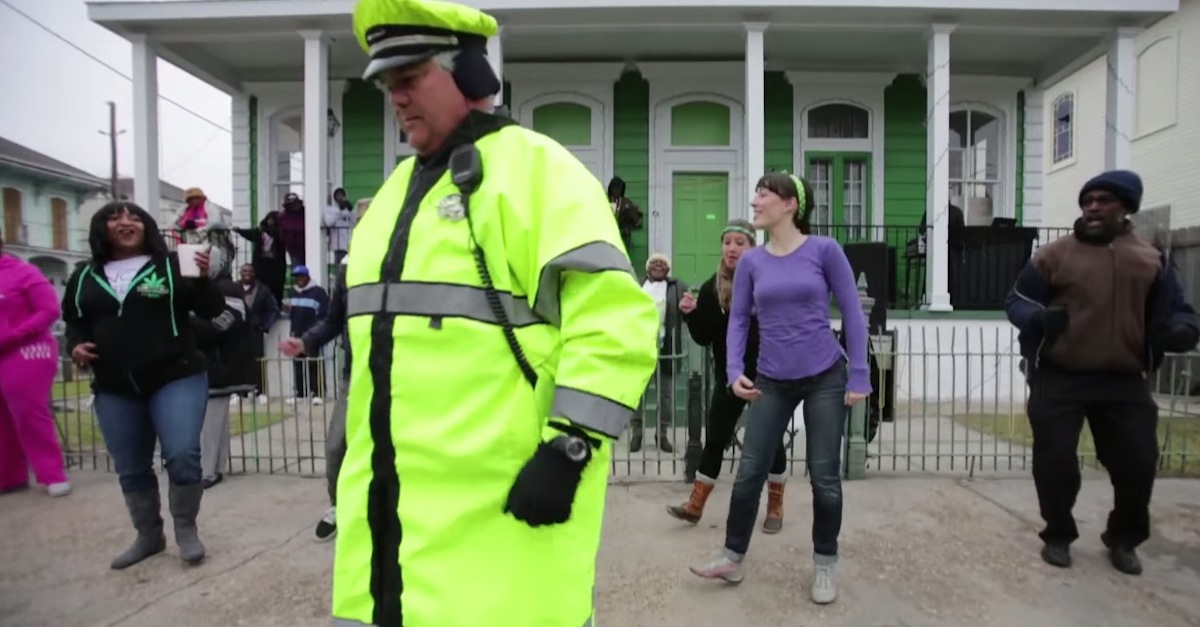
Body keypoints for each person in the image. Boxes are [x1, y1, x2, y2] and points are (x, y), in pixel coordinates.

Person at [332, 1, 659, 625]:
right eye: (387, 84)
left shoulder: (542, 172)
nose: (396, 98)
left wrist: (570, 446)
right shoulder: (395, 193)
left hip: (506, 517)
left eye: (409, 78)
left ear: (469, 73)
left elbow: (616, 323)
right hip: (383, 534)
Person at [1004, 169, 1199, 575]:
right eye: (1087, 199)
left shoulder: (1151, 259)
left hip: (1124, 379)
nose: (1092, 206)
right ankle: (1058, 533)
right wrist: (1039, 318)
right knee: (1055, 461)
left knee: (1138, 462)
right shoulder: (1054, 255)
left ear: (1126, 207)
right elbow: (1017, 300)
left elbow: (1180, 313)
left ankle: (1123, 538)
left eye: (1103, 200)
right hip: (1060, 374)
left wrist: (1181, 330)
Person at [690, 173, 870, 606]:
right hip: (771, 377)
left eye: (763, 195)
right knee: (751, 470)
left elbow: (852, 310)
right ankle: (732, 557)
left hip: (825, 375)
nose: (755, 202)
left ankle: (825, 563)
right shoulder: (752, 262)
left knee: (825, 477)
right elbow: (737, 319)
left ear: (790, 204)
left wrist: (860, 374)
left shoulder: (825, 251)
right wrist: (735, 370)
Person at [61, 201, 224, 569]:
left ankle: (186, 529)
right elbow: (75, 320)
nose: (125, 221)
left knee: (182, 455)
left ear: (146, 226)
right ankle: (149, 535)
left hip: (176, 376)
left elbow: (212, 309)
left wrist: (200, 280)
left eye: (133, 216)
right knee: (131, 467)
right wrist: (75, 345)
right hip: (115, 386)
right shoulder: (84, 276)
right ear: (102, 229)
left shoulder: (170, 264)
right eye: (115, 217)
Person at [667, 219, 788, 531]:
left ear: (752, 246)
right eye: (727, 242)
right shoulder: (711, 288)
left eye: (740, 242)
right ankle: (695, 505)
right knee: (716, 439)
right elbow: (705, 337)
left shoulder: (769, 280)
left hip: (766, 376)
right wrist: (690, 314)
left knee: (771, 439)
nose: (732, 249)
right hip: (729, 378)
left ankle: (775, 505)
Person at [280, 256, 350, 542]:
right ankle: (338, 505)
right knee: (336, 447)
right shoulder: (350, 265)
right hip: (358, 374)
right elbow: (334, 319)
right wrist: (307, 341)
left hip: (408, 372)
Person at [0, 229, 71, 497]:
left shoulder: (22, 272)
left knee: (28, 410)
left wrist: (15, 334)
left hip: (28, 350)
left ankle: (52, 473)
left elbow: (49, 309)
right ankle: (8, 477)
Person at [195, 226, 256, 489]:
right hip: (212, 365)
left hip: (220, 365)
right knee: (212, 422)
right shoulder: (202, 287)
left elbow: (225, 323)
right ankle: (213, 468)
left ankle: (209, 470)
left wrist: (191, 327)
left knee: (211, 423)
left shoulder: (228, 288)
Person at [629, 253, 684, 453]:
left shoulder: (676, 287)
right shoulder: (637, 286)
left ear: (668, 269)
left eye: (662, 263)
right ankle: (637, 433)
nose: (658, 265)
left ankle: (662, 435)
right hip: (641, 347)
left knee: (665, 395)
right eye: (654, 262)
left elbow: (689, 308)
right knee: (637, 394)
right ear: (647, 268)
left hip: (666, 348)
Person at [282, 265, 329, 405]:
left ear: (307, 277)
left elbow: (324, 314)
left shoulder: (318, 292)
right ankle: (300, 393)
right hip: (296, 333)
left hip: (312, 334)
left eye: (301, 277)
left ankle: (317, 393)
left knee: (314, 363)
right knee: (298, 363)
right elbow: (289, 314)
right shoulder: (292, 292)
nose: (299, 280)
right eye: (296, 277)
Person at [236, 264, 279, 404]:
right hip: (237, 331)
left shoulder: (263, 289)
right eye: (244, 271)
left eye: (249, 271)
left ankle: (260, 391)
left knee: (258, 361)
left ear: (254, 273)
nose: (247, 273)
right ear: (240, 273)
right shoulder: (234, 288)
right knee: (238, 359)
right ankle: (239, 392)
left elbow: (273, 309)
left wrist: (264, 326)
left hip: (255, 331)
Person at [234, 211, 287, 306]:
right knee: (260, 287)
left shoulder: (281, 233)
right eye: (269, 218)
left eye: (273, 219)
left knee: (276, 288)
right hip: (261, 266)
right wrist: (239, 230)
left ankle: (276, 307)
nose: (271, 221)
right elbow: (250, 234)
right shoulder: (260, 231)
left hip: (276, 267)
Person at [607, 176, 642, 254]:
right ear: (611, 189)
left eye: (619, 188)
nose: (617, 190)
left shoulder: (626, 202)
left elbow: (637, 222)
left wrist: (630, 213)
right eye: (615, 188)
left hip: (624, 239)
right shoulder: (605, 201)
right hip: (608, 239)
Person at [325, 187, 356, 264]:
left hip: (349, 244)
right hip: (338, 245)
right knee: (340, 266)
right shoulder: (330, 209)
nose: (340, 197)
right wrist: (339, 210)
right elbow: (329, 222)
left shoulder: (347, 209)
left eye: (342, 195)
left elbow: (354, 222)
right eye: (338, 195)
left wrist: (351, 210)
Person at [278, 193, 307, 265]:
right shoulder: (282, 217)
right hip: (293, 249)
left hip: (307, 246)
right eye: (292, 204)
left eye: (296, 203)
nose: (295, 205)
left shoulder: (306, 214)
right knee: (298, 269)